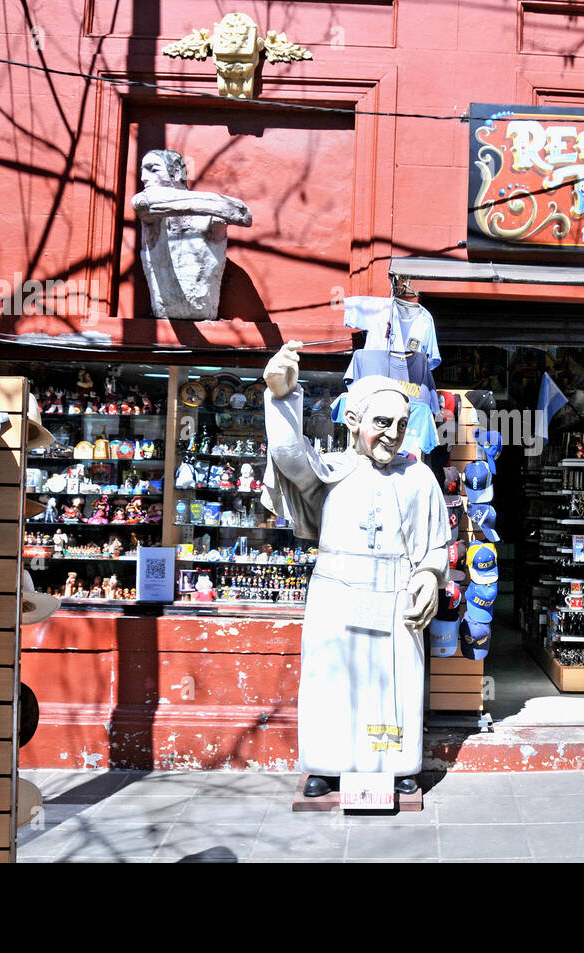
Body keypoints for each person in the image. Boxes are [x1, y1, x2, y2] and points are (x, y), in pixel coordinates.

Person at [261, 341, 450, 798]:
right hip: (337, 596)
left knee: (392, 685)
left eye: (402, 425)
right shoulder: (332, 471)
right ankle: (327, 765)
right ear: (354, 422)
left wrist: (429, 575)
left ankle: (398, 763)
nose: (392, 434)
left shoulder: (419, 477)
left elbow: (435, 543)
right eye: (381, 423)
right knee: (332, 680)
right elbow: (289, 455)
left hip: (393, 597)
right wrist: (282, 396)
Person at [131, 149, 252, 320]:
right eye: (142, 170)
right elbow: (145, 203)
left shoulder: (207, 220)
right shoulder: (149, 214)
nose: (143, 177)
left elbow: (241, 214)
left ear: (177, 173)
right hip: (162, 324)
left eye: (153, 169)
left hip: (207, 327)